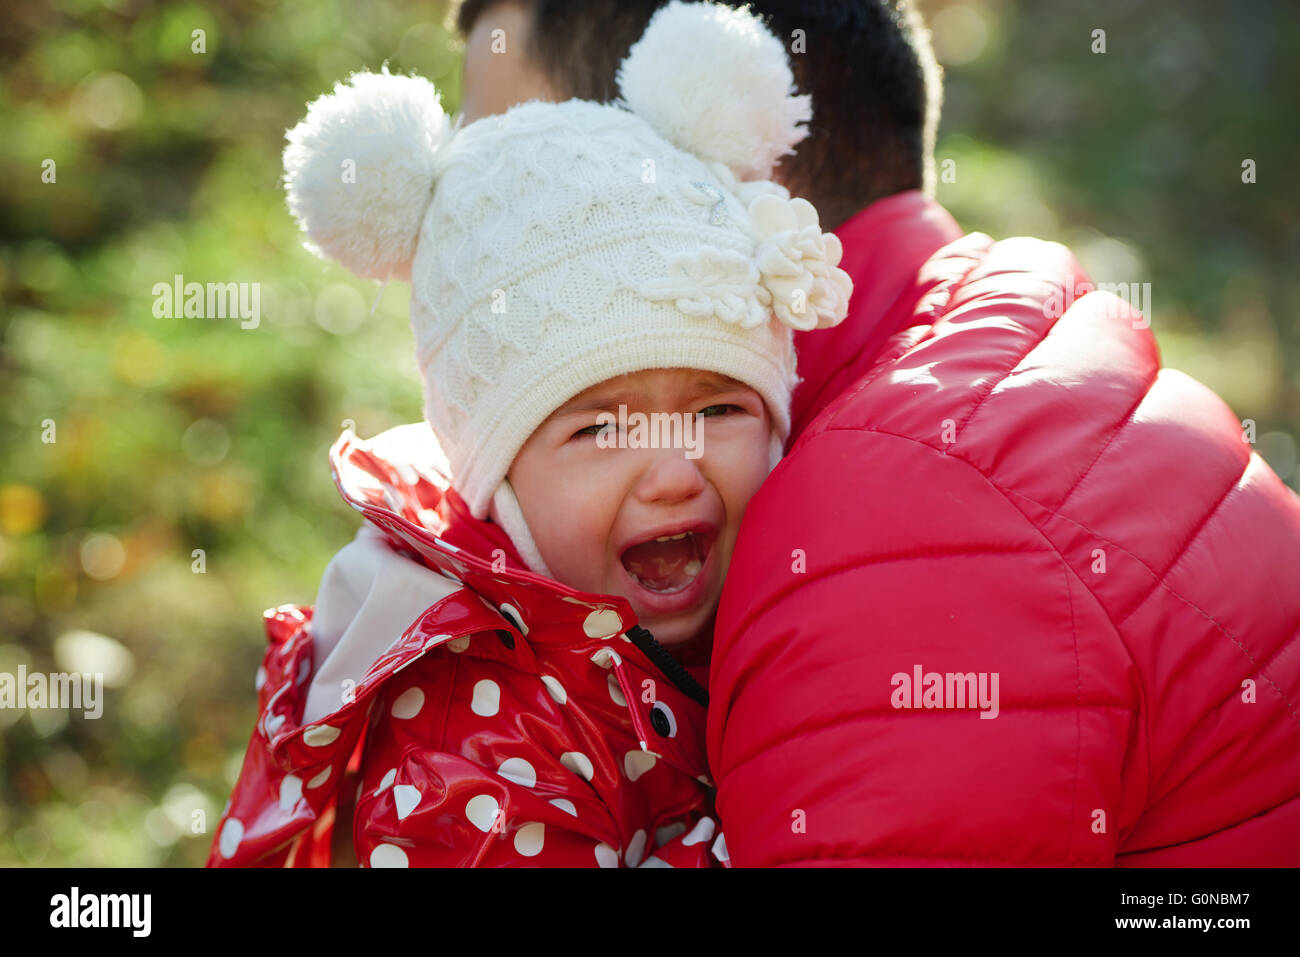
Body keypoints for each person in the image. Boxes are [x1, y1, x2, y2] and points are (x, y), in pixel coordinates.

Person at [455, 0, 1300, 865]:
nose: (459, 235)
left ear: (726, 153)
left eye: (507, 163)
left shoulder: (893, 531)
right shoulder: (999, 348)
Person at [207, 1, 849, 867]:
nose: (672, 471)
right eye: (600, 428)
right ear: (496, 482)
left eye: (718, 410)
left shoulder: (780, 602)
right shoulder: (470, 739)